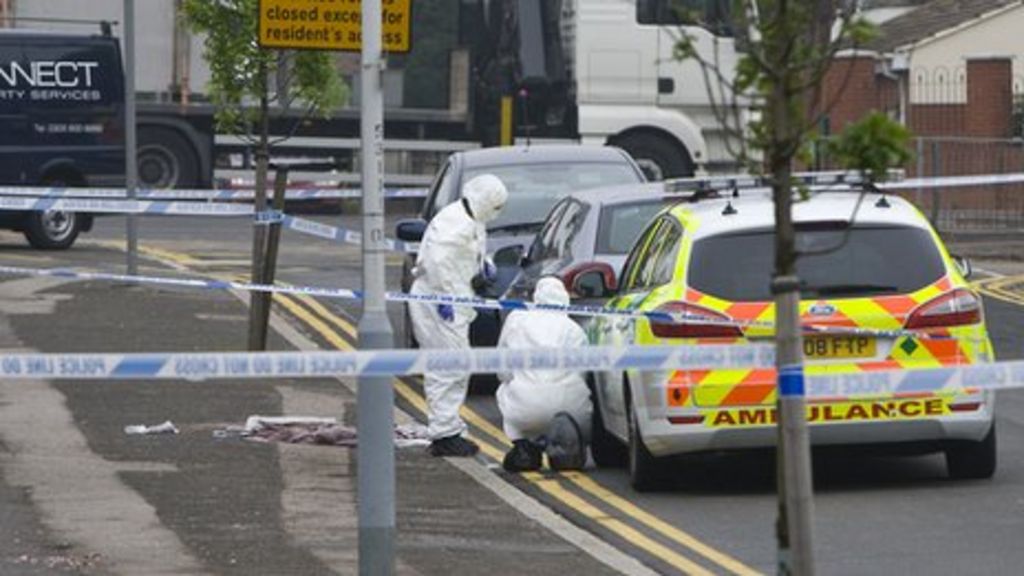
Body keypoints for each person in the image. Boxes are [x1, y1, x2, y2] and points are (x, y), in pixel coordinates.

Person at [409, 174, 508, 457]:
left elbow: (470, 256)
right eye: (496, 205)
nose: (497, 211)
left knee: (457, 365)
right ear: (485, 200)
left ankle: (449, 426)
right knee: (447, 367)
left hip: (455, 303)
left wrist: (484, 268)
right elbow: (437, 262)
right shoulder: (455, 222)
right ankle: (444, 434)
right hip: (440, 304)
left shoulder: (471, 220)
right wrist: (444, 297)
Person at [496, 276, 593, 472]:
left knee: (504, 388)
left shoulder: (517, 320)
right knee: (576, 392)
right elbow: (584, 375)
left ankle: (524, 446)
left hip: (524, 411)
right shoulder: (575, 330)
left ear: (536, 297)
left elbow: (502, 370)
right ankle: (566, 449)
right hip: (571, 413)